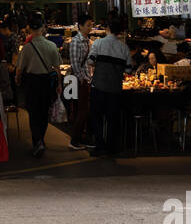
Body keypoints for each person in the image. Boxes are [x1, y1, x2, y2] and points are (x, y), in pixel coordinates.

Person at [14, 12, 60, 158]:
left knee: (33, 113)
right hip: (47, 82)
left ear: (30, 30)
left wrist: (17, 78)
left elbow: (20, 68)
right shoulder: (52, 46)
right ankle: (41, 138)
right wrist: (59, 84)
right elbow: (58, 68)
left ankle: (37, 141)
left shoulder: (27, 48)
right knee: (44, 111)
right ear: (42, 29)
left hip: (32, 83)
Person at [87, 15, 130, 156]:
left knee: (97, 118)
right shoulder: (124, 48)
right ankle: (111, 147)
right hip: (115, 89)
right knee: (112, 120)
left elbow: (90, 62)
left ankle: (99, 146)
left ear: (108, 28)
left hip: (98, 87)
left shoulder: (98, 43)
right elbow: (128, 70)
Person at [66, 17, 94, 150]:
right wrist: (83, 79)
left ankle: (81, 138)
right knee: (81, 110)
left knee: (83, 110)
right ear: (80, 26)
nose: (90, 28)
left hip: (86, 79)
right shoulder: (76, 41)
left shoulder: (88, 41)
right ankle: (74, 140)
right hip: (78, 80)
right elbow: (75, 63)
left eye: (91, 25)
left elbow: (89, 63)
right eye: (88, 25)